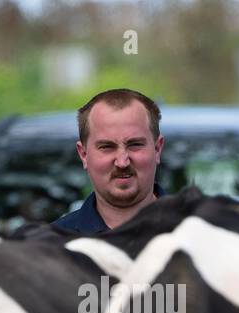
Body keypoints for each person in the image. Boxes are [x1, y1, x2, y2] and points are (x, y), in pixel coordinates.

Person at [52, 88, 165, 234]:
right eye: (106, 147)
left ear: (157, 149)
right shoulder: (53, 245)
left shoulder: (198, 235)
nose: (122, 162)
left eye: (135, 145)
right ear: (83, 154)